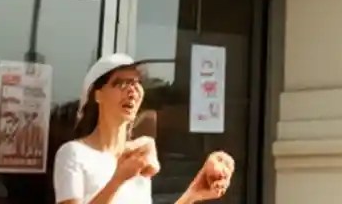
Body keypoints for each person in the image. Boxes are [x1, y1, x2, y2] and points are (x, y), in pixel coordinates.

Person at [54, 53, 234, 204]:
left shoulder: (138, 158)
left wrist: (194, 192)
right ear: (98, 95)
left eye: (136, 82)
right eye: (121, 83)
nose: (132, 90)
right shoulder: (73, 153)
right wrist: (118, 179)